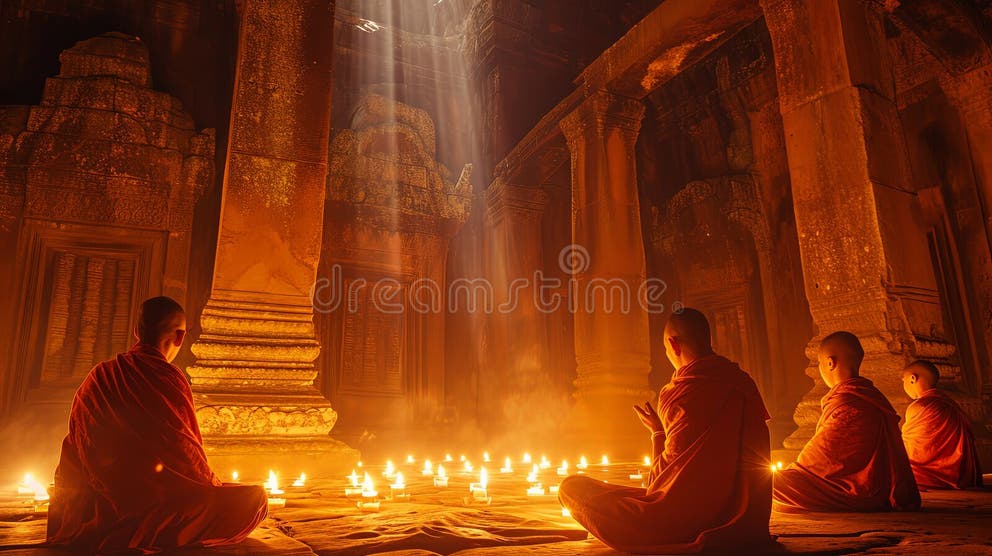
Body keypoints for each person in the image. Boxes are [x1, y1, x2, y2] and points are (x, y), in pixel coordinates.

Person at [47, 296, 267, 553]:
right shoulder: (169, 377)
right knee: (254, 499)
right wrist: (211, 485)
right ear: (180, 337)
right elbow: (188, 457)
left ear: (137, 331)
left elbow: (74, 448)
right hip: (161, 504)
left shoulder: (100, 375)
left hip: (98, 507)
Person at [558, 308, 773, 553]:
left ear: (673, 344)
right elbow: (758, 464)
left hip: (677, 520)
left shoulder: (679, 392)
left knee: (571, 488)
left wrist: (657, 435)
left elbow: (659, 485)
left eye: (665, 348)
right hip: (735, 516)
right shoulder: (742, 383)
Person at [773, 331, 920, 512]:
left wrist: (788, 472)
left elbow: (817, 465)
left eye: (819, 363)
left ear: (829, 362)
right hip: (880, 487)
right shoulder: (873, 397)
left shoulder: (847, 404)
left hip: (851, 491)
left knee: (768, 483)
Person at [901, 360, 983, 490]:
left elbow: (912, 450)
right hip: (961, 475)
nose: (903, 385)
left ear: (912, 378)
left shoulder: (920, 406)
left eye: (903, 380)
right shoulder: (951, 404)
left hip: (929, 475)